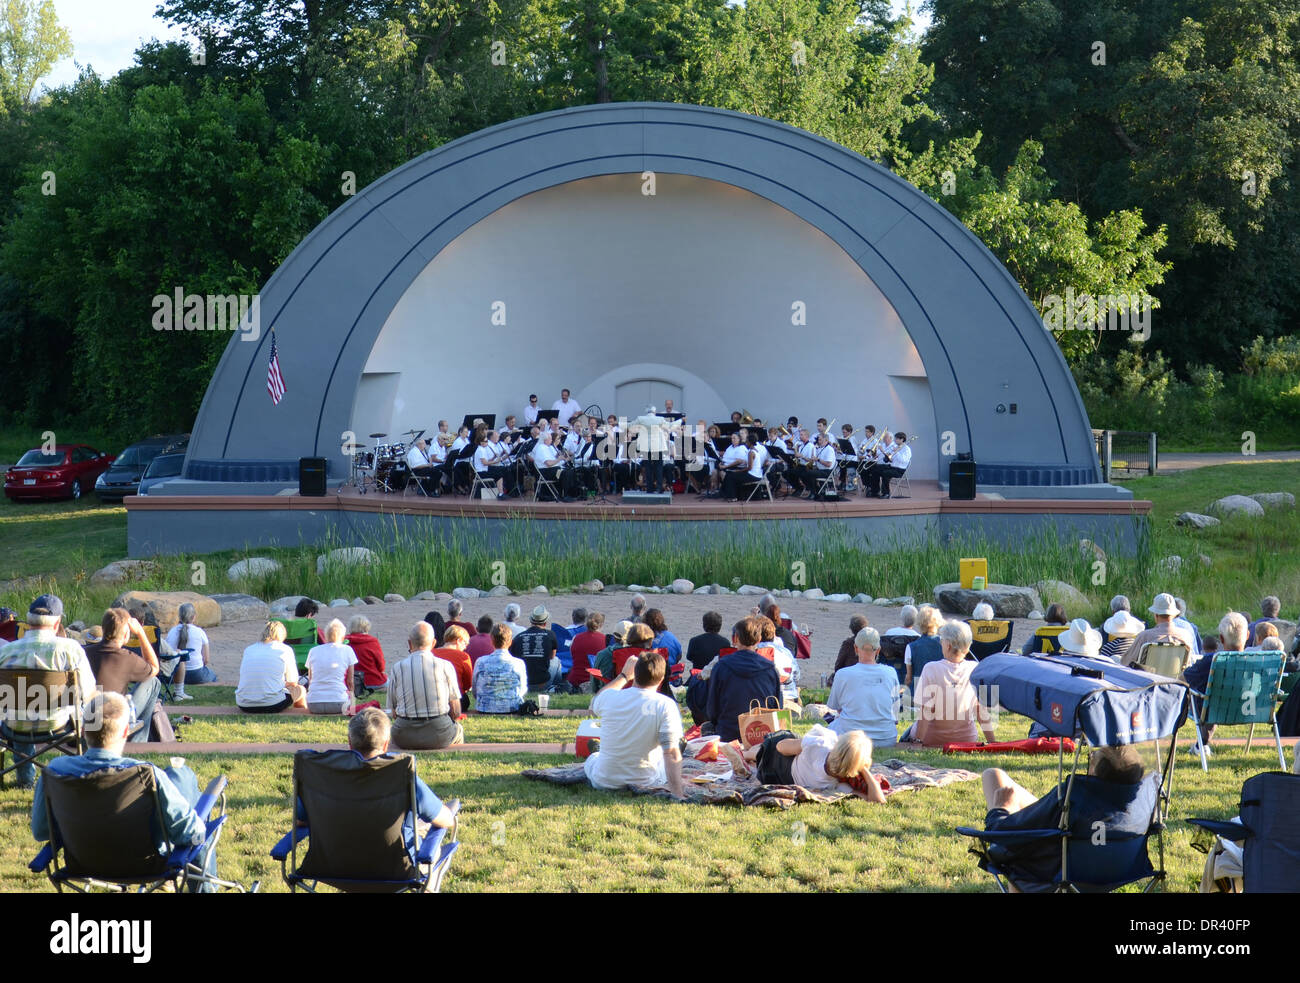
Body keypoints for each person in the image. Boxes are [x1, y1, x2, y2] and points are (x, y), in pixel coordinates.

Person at [31, 692, 220, 889]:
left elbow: (42, 831)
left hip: (83, 862)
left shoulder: (54, 772)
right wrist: (199, 824)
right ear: (125, 731)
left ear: (84, 730)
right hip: (147, 864)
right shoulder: (146, 774)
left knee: (179, 777)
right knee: (183, 777)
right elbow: (190, 833)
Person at [978, 745, 1156, 890]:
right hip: (1114, 874)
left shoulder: (1074, 799)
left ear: (1094, 771)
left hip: (1056, 876)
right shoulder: (1141, 803)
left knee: (992, 776)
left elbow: (1002, 835)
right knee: (995, 776)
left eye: (1092, 756)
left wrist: (1001, 809)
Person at [298, 708, 459, 863]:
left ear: (349, 742)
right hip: (398, 870)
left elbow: (301, 820)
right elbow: (444, 819)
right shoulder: (401, 772)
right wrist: (448, 814)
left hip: (331, 866)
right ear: (386, 744)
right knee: (430, 846)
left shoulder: (322, 772)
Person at [0, 594, 97, 788]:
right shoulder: (70, 649)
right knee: (97, 705)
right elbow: (88, 691)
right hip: (57, 722)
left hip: (14, 725)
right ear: (57, 622)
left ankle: (25, 779)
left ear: (28, 621)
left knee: (20, 710)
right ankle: (89, 770)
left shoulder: (6, 651)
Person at [583, 650, 685, 797]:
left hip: (604, 780)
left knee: (594, 758)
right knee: (669, 754)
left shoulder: (610, 697)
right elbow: (670, 753)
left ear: (635, 673)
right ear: (662, 678)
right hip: (646, 781)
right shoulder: (665, 705)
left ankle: (600, 751)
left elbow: (595, 704)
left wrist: (623, 676)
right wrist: (678, 794)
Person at [738, 723, 885, 800]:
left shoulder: (820, 744)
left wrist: (803, 743)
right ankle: (749, 757)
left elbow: (781, 747)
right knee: (784, 752)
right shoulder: (837, 784)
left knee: (777, 743)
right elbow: (878, 800)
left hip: (778, 765)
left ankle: (745, 754)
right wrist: (864, 770)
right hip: (779, 777)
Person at [910, 620, 995, 747]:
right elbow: (981, 710)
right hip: (966, 738)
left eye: (942, 640)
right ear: (968, 645)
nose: (941, 643)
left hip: (932, 738)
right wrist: (993, 742)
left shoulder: (931, 668)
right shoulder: (975, 668)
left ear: (948, 645)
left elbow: (926, 710)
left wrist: (918, 742)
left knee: (911, 729)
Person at [84, 608, 160, 743]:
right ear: (126, 635)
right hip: (113, 724)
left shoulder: (83, 653)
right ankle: (138, 742)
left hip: (85, 720)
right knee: (153, 682)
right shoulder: (127, 658)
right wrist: (141, 634)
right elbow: (154, 668)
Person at [701, 617, 782, 743]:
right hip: (763, 733)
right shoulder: (770, 669)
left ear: (735, 639)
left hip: (729, 732)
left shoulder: (721, 666)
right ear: (759, 639)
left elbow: (712, 709)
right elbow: (778, 706)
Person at [1182, 612, 1250, 753]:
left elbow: (1184, 678)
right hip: (1249, 709)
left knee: (1202, 689)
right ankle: (1202, 743)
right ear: (1247, 635)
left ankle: (1202, 743)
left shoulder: (1211, 661)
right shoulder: (1259, 661)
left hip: (1215, 711)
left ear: (1221, 638)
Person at [388, 622, 463, 749]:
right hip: (439, 732)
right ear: (434, 643)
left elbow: (393, 711)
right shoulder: (446, 666)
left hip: (404, 735)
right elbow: (456, 711)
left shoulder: (397, 668)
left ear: (409, 643)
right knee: (459, 730)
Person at [827, 627, 899, 746]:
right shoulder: (890, 673)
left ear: (856, 648)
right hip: (886, 738)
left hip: (850, 738)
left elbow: (836, 707)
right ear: (878, 650)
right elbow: (894, 712)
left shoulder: (842, 674)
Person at [236, 621, 306, 713]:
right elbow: (293, 681)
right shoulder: (285, 649)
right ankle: (300, 713)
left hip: (243, 703)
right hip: (272, 703)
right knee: (301, 689)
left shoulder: (249, 649)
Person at [163, 602, 216, 700]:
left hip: (174, 675)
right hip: (196, 674)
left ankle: (179, 686)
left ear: (179, 616)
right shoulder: (200, 632)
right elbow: (206, 659)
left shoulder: (172, 631)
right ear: (194, 617)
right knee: (212, 675)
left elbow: (167, 653)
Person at [471, 624, 529, 713]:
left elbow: (475, 688)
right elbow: (523, 688)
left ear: (492, 641)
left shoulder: (480, 662)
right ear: (510, 642)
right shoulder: (518, 663)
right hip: (512, 707)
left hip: (484, 707)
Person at [304, 619, 357, 715]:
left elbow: (311, 679)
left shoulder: (313, 651)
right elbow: (350, 682)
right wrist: (352, 701)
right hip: (339, 703)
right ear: (342, 636)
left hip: (314, 704)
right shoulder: (347, 650)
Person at [511, 604, 562, 691]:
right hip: (543, 682)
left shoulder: (518, 637)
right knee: (556, 660)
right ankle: (555, 687)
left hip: (522, 682)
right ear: (545, 623)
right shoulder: (550, 634)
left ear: (531, 622)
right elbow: (552, 656)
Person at [1130, 593, 1198, 656]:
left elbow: (1126, 661)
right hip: (1178, 669)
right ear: (1174, 615)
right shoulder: (1186, 636)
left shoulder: (1144, 636)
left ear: (1156, 615)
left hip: (1150, 669)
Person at [903, 604, 945, 690]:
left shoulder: (911, 647)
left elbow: (908, 678)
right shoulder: (945, 644)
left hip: (919, 691)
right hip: (940, 689)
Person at [434, 625, 474, 713]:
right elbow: (468, 684)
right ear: (459, 641)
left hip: (434, 698)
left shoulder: (431, 653)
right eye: (465, 643)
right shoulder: (464, 656)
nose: (465, 647)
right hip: (456, 699)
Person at [345, 615, 387, 691]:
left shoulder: (345, 642)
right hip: (373, 681)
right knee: (390, 682)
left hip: (352, 681)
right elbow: (381, 665)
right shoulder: (373, 642)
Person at [568, 611, 607, 691]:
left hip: (576, 680)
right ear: (601, 625)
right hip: (595, 681)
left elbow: (572, 656)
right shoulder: (605, 639)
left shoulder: (576, 638)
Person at [831, 615, 871, 682]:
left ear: (851, 628)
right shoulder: (872, 642)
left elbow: (838, 665)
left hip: (850, 676)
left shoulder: (848, 643)